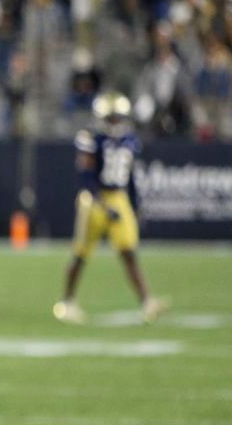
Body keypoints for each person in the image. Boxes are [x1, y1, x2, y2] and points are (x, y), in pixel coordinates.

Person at [54, 91, 166, 324]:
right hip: (94, 199)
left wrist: (135, 205)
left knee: (129, 252)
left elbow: (131, 177)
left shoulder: (129, 140)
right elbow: (86, 178)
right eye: (112, 117)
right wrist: (104, 205)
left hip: (119, 197)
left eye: (118, 117)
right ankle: (66, 302)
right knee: (80, 254)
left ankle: (147, 301)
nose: (116, 122)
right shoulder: (91, 139)